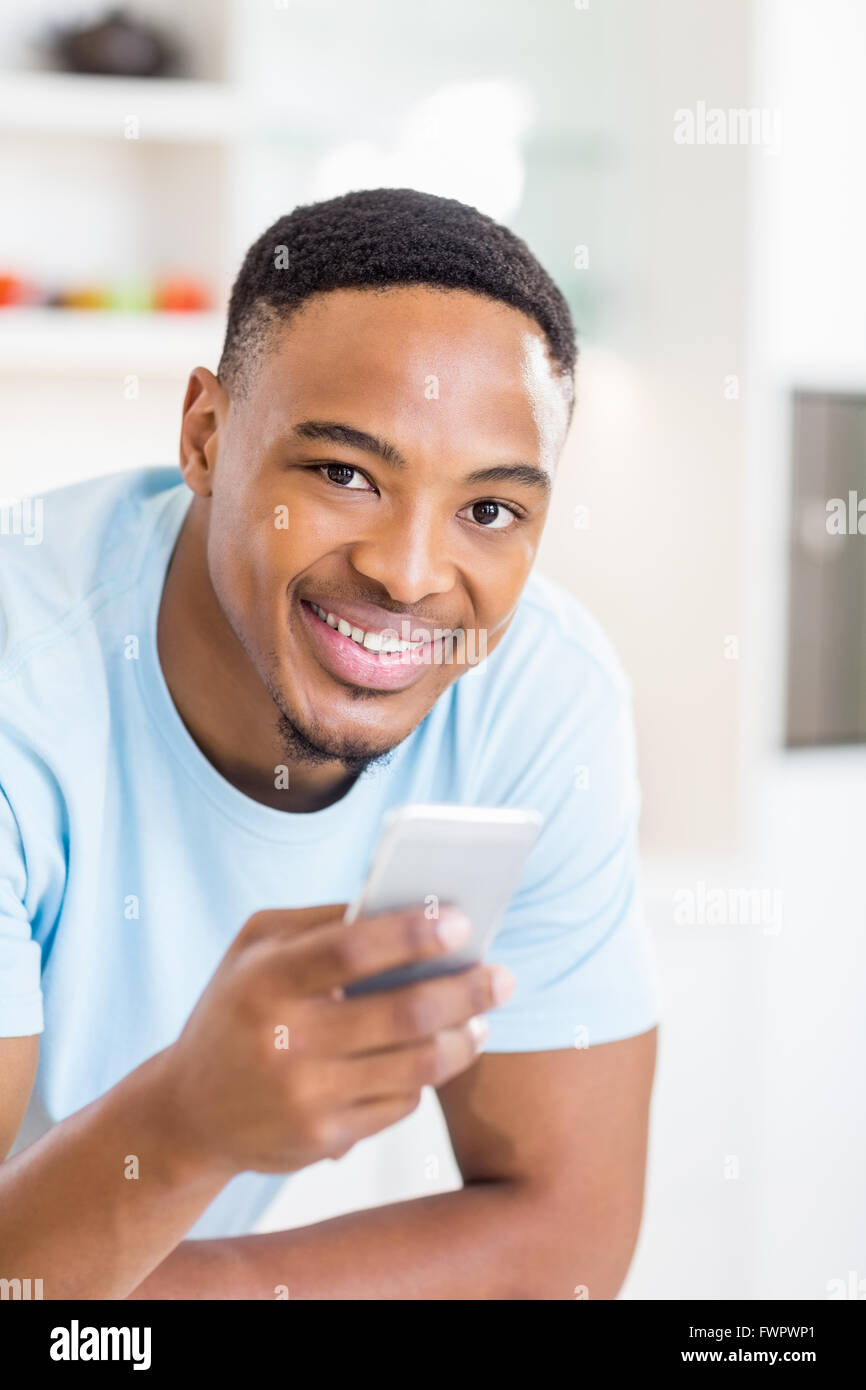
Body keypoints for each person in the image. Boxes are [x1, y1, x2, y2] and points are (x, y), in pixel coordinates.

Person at [0, 187, 659, 1300]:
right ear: (206, 436)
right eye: (344, 473)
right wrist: (184, 1122)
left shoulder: (540, 697)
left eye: (488, 509)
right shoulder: (27, 676)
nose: (407, 573)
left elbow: (567, 1241)